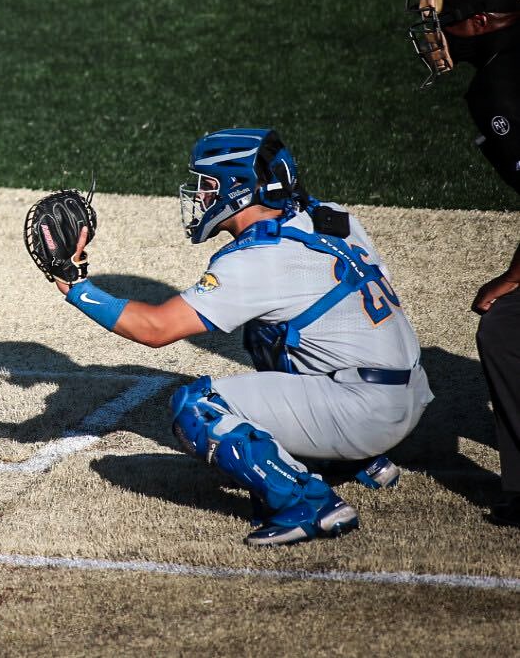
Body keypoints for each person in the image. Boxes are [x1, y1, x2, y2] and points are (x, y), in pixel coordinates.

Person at [48, 128, 432, 546]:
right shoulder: (330, 216)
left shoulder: (257, 261)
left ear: (239, 188)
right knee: (267, 334)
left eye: (208, 185)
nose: (199, 198)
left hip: (365, 410)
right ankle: (360, 462)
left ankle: (310, 504)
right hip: (406, 391)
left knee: (198, 407)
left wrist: (77, 286)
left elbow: (156, 329)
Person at [406, 0, 520, 527]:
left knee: (505, 326)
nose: (434, 33)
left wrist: (515, 276)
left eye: (443, 20)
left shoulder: (499, 86)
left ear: (478, 22)